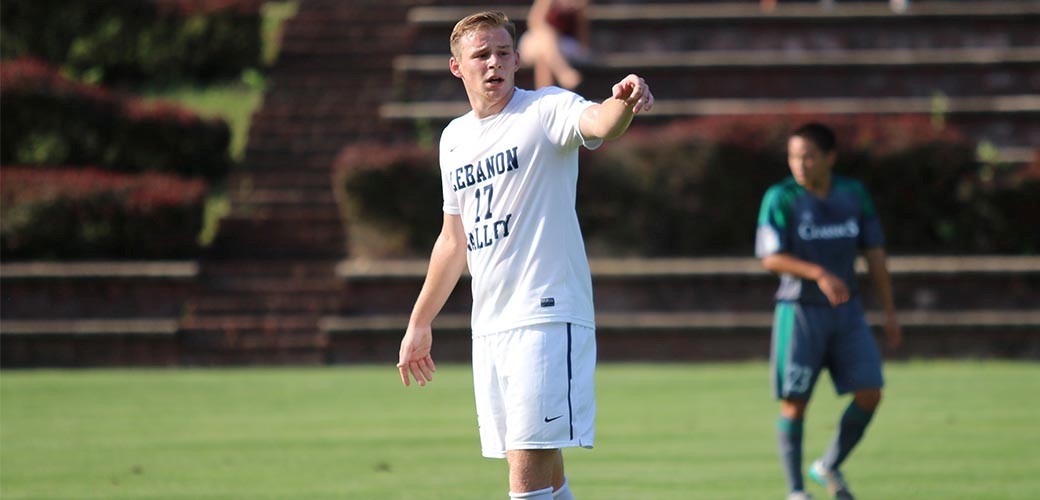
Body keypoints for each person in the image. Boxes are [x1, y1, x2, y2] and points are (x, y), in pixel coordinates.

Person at [396, 10, 653, 500]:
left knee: (525, 479)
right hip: (490, 325)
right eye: (481, 55)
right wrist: (420, 321)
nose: (494, 63)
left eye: (503, 53)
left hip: (545, 316)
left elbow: (600, 121)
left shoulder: (546, 109)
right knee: (545, 476)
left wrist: (623, 101)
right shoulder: (454, 139)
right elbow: (454, 241)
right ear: (457, 67)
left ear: (517, 59)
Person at [755, 123, 902, 500]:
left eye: (808, 157)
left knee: (871, 392)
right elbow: (770, 257)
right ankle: (797, 491)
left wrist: (889, 312)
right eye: (793, 157)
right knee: (795, 402)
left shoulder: (853, 196)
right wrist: (818, 273)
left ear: (829, 158)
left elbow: (875, 255)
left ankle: (828, 465)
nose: (800, 165)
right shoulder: (781, 197)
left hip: (847, 311)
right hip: (801, 312)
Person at [519, 0, 589, 89]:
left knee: (543, 54)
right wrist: (552, 34)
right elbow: (535, 22)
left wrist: (583, 48)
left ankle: (545, 96)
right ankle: (563, 72)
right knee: (546, 40)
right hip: (539, 39)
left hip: (564, 43)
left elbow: (582, 26)